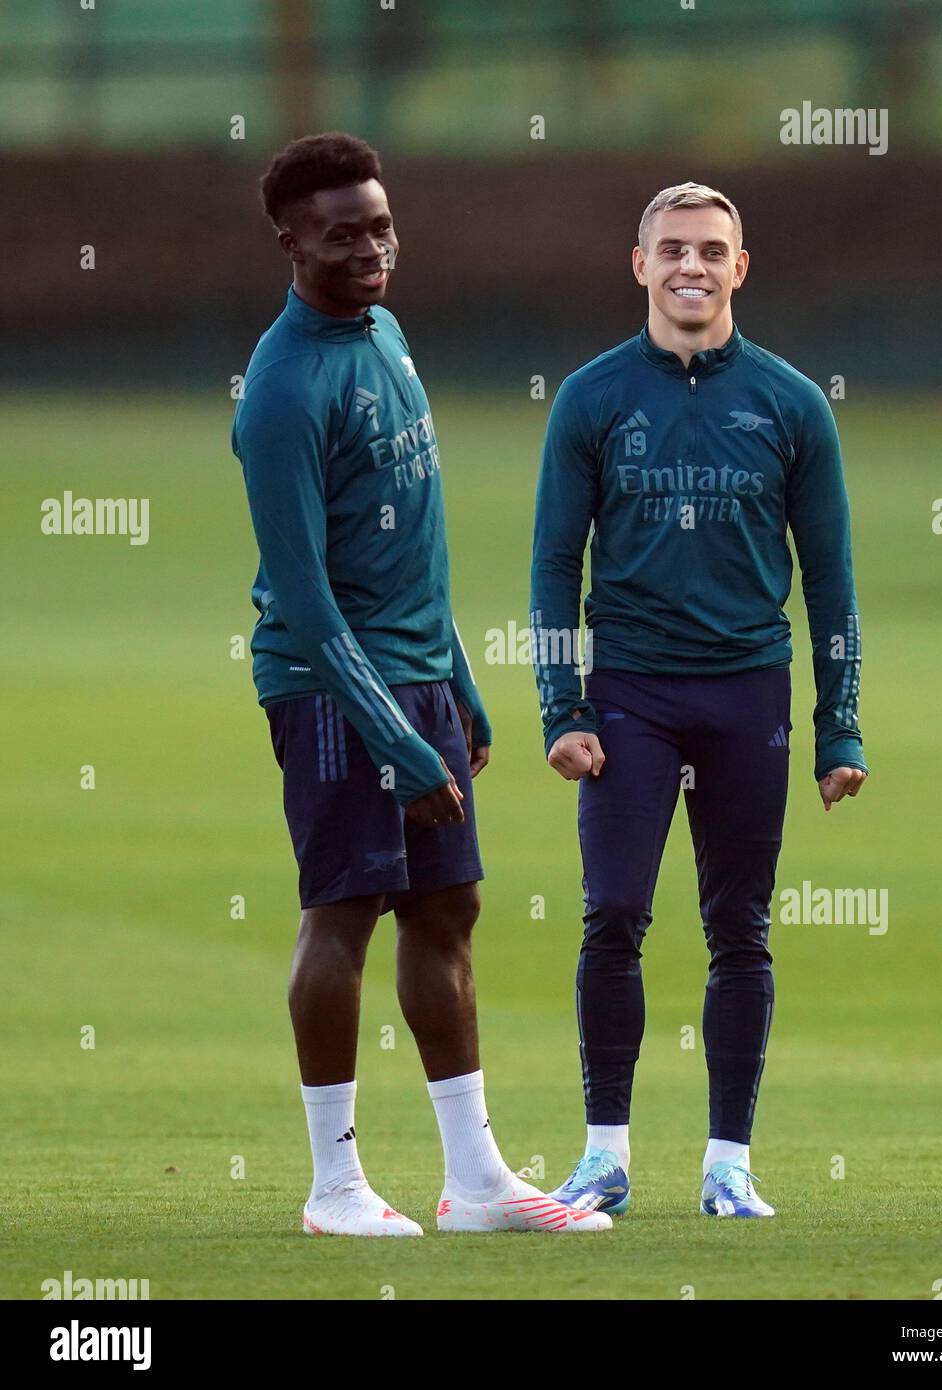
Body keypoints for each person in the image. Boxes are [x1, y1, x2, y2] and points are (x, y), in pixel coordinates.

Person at [233, 132, 610, 1236]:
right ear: (291, 240)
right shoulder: (283, 392)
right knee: (341, 913)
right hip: (330, 687)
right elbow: (307, 598)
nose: (371, 247)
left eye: (382, 225)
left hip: (416, 676)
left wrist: (459, 683)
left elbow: (410, 544)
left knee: (449, 907)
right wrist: (395, 739)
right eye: (343, 232)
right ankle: (335, 1185)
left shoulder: (387, 336)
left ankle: (476, 1179)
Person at [530, 182, 867, 1219]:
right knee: (613, 914)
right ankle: (603, 1155)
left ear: (740, 267)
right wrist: (563, 706)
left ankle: (728, 1163)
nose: (692, 266)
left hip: (748, 692)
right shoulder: (590, 398)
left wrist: (838, 722)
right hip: (629, 693)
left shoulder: (791, 403)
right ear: (639, 264)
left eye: (712, 250)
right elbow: (553, 564)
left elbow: (832, 579)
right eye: (672, 248)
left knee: (741, 928)